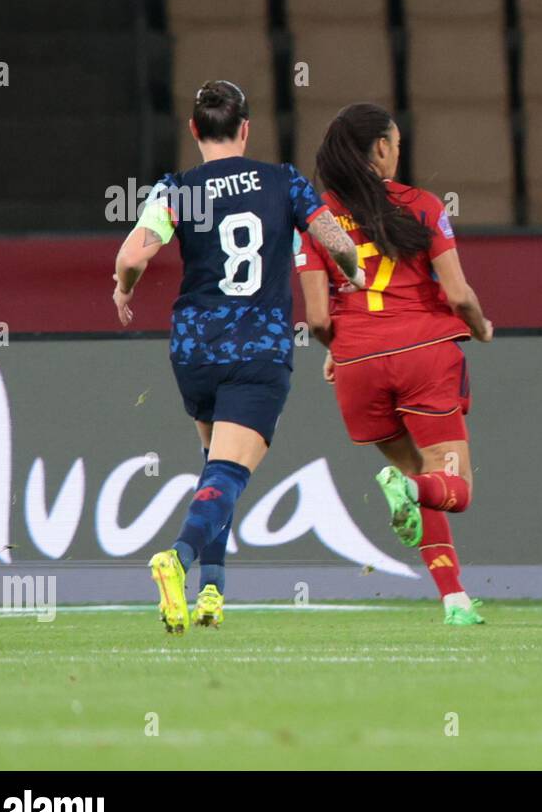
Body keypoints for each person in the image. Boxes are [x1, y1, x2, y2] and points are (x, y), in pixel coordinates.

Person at [112, 79, 362, 634]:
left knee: (214, 467)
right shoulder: (283, 181)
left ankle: (212, 593)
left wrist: (124, 287)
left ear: (195, 130)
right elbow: (336, 241)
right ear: (246, 129)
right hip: (258, 347)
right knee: (228, 473)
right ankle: (176, 559)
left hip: (194, 348)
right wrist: (357, 276)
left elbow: (132, 255)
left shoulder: (177, 190)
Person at [296, 103, 493, 626]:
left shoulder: (316, 220)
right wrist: (480, 325)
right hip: (425, 354)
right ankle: (406, 493)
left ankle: (453, 599)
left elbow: (316, 317)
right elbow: (458, 293)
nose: (398, 154)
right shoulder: (423, 205)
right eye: (397, 144)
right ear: (381, 148)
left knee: (418, 475)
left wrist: (336, 351)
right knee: (454, 488)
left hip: (358, 364)